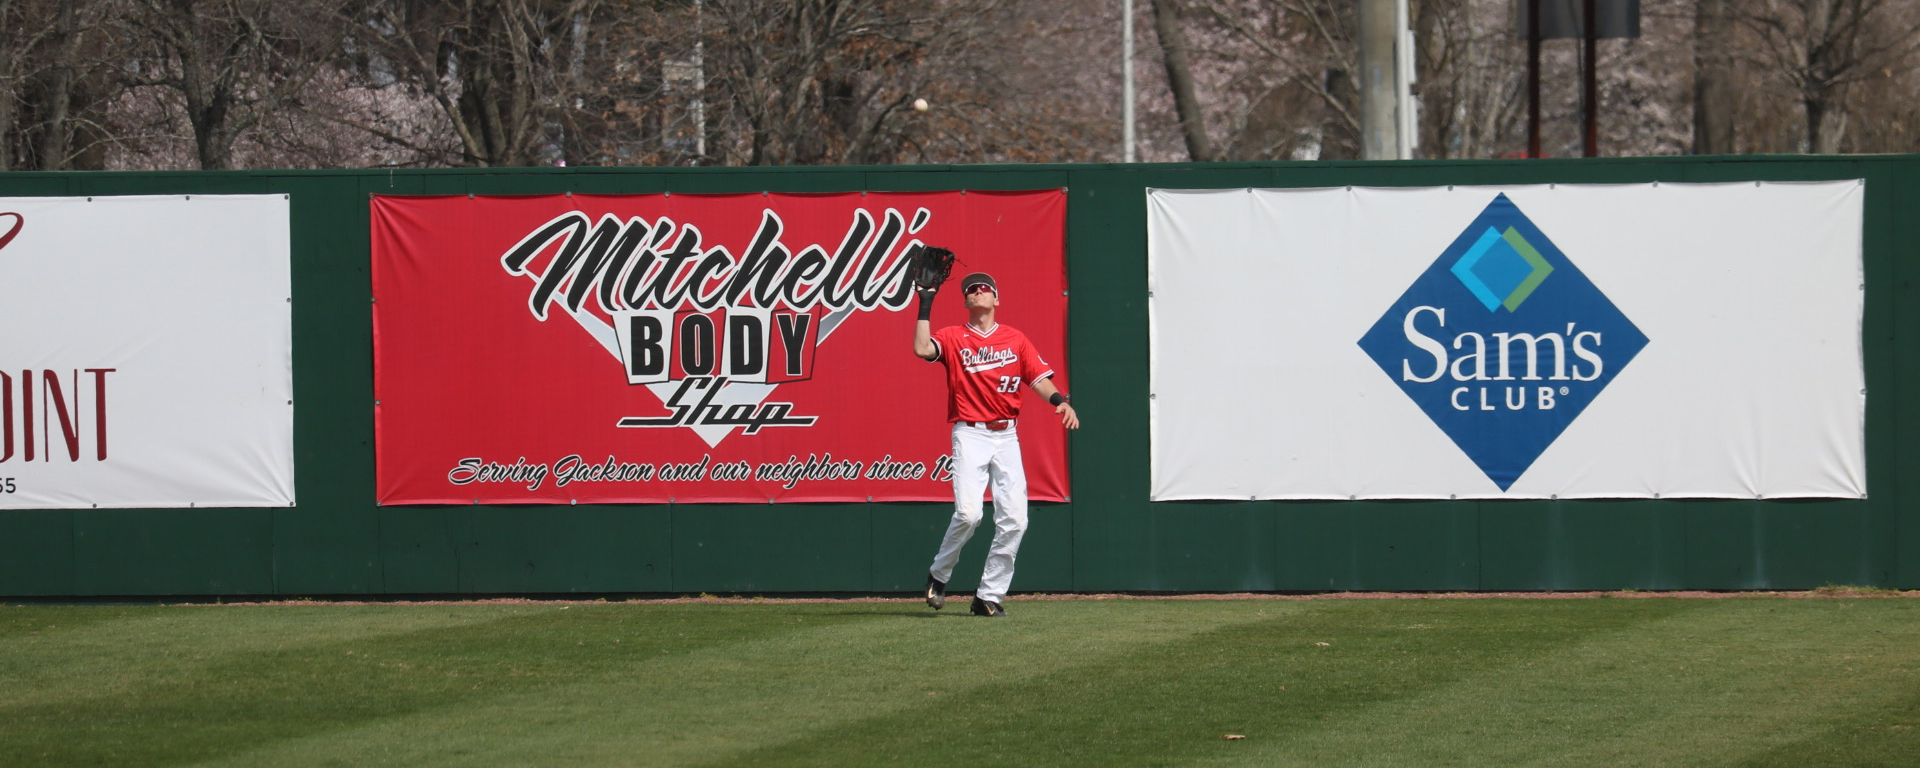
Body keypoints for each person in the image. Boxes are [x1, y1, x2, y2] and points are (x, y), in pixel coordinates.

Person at [913, 270, 1078, 617]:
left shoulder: (1015, 339)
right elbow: (922, 348)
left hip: (1006, 436)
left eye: (985, 288)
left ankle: (988, 596)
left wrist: (1059, 400)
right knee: (969, 514)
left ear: (996, 299)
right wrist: (925, 303)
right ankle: (939, 574)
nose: (978, 292)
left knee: (1015, 520)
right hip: (970, 432)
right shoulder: (954, 337)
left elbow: (1037, 377)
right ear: (965, 301)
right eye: (971, 290)